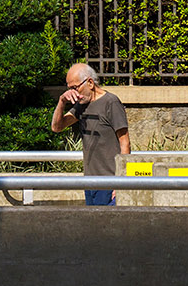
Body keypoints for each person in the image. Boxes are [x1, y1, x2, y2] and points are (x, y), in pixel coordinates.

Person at [51, 63, 129, 206]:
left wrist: (121, 182)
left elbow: (125, 143)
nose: (73, 93)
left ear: (90, 83)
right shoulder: (82, 105)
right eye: (69, 89)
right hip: (90, 181)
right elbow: (57, 127)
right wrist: (62, 101)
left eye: (75, 88)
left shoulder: (111, 102)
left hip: (109, 181)